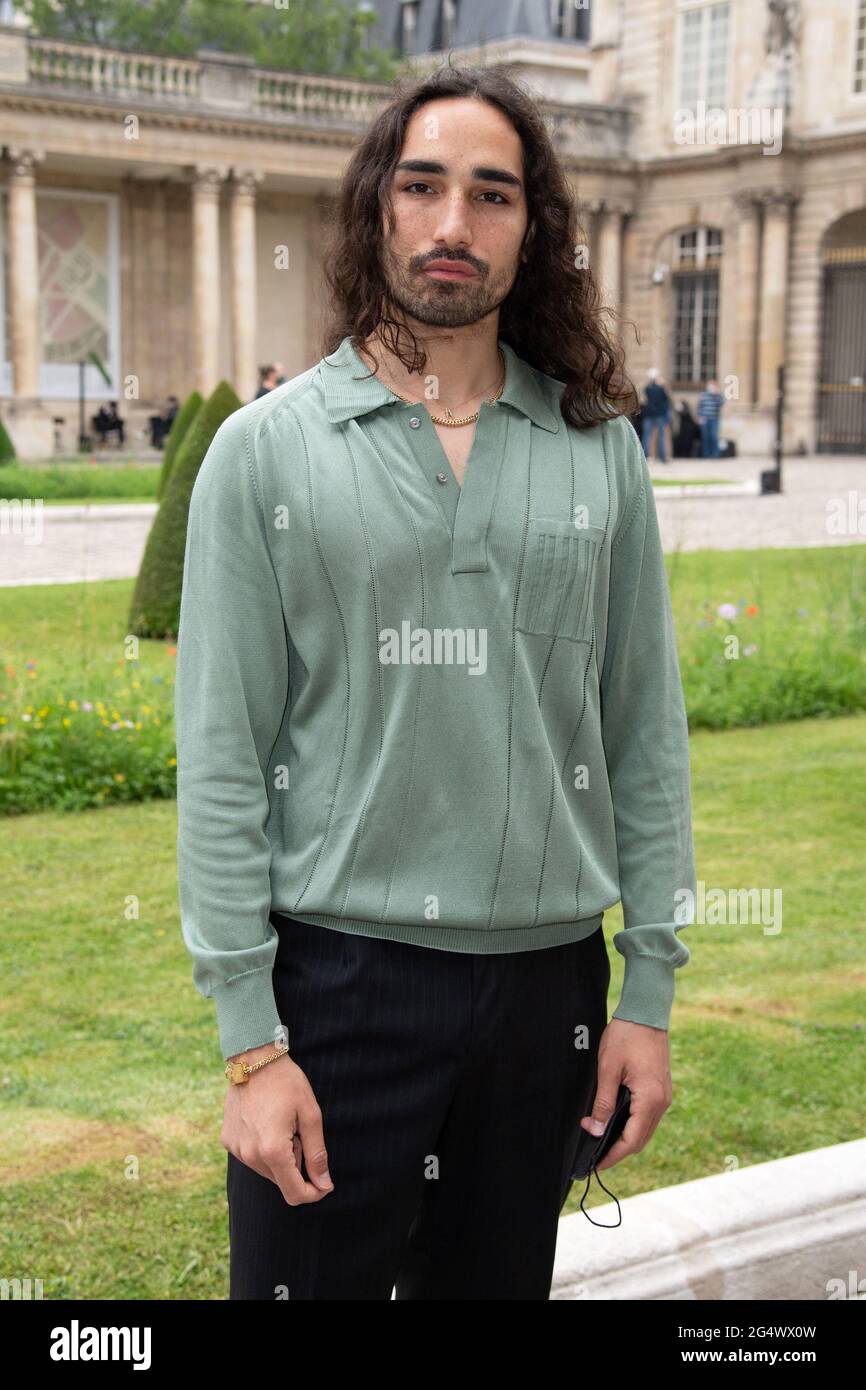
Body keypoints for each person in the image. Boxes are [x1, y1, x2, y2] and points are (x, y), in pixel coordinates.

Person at [174, 65, 696, 1301]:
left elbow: (643, 735)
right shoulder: (265, 453)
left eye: (491, 194)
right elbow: (223, 757)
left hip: (545, 992)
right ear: (376, 210)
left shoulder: (597, 450)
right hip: (338, 988)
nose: (452, 225)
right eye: (421, 186)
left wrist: (650, 992)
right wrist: (252, 1042)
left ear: (534, 228)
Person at [641, 368, 672, 463]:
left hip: (649, 414)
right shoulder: (660, 388)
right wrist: (663, 385)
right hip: (659, 414)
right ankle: (662, 458)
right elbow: (667, 398)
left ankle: (645, 457)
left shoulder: (647, 388)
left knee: (647, 435)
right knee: (661, 436)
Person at [697, 379, 723, 458]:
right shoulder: (703, 395)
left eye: (713, 386)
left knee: (714, 437)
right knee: (705, 437)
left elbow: (721, 404)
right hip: (705, 419)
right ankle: (706, 454)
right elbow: (699, 407)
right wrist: (699, 417)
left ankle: (715, 454)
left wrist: (716, 395)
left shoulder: (718, 395)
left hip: (714, 418)